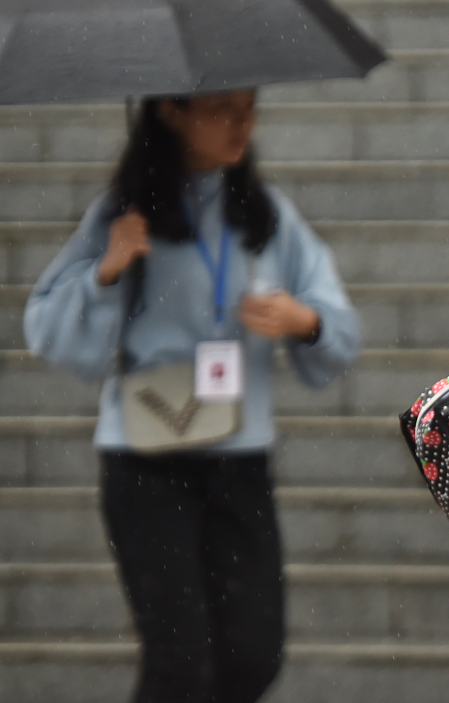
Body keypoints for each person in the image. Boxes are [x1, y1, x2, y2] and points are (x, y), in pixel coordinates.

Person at [25, 89, 361, 703]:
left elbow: (338, 321)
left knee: (254, 655)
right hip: (145, 459)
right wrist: (106, 270)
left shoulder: (266, 215)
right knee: (180, 661)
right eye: (223, 108)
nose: (243, 123)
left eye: (251, 107)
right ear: (171, 111)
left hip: (240, 460)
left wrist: (305, 321)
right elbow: (47, 330)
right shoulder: (123, 215)